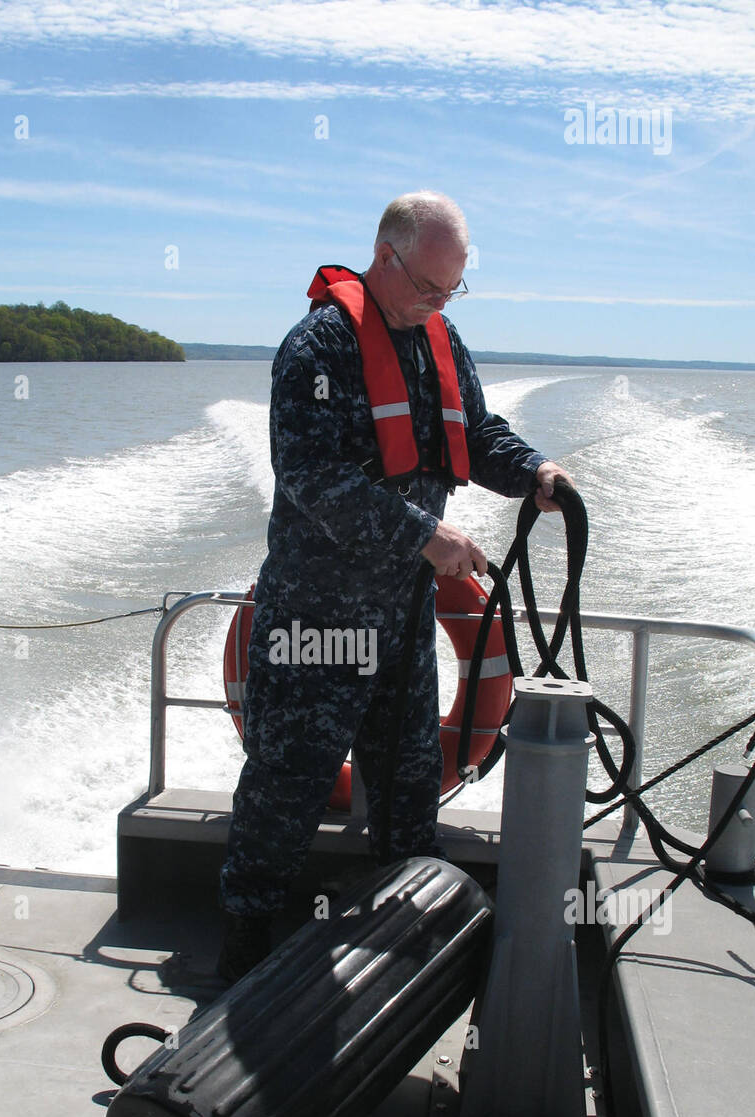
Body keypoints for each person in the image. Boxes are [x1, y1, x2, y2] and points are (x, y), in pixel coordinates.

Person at [218, 191, 573, 981]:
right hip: (316, 621)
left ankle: (407, 948)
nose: (440, 302)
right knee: (287, 787)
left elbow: (476, 434)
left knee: (410, 787)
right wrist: (425, 534)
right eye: (428, 287)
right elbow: (311, 478)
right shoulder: (315, 348)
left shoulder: (439, 338)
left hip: (404, 619)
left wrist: (533, 474)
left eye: (453, 290)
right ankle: (242, 944)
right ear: (386, 256)